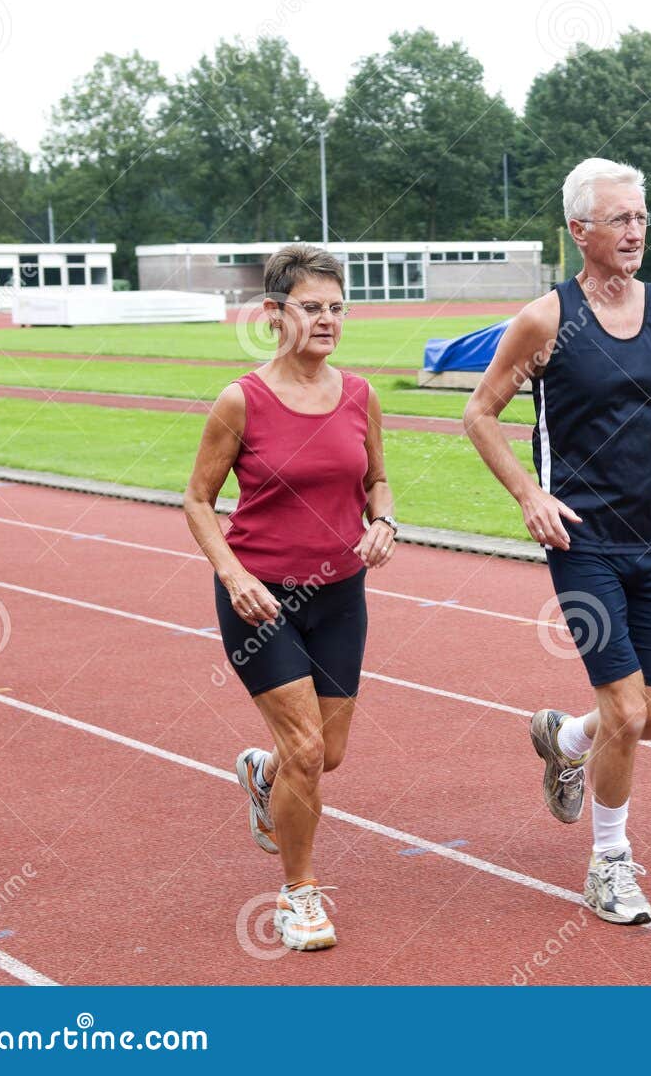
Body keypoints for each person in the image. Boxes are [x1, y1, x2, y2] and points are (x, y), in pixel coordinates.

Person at [464, 157, 651, 924]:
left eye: (641, 217)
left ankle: (564, 738)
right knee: (624, 710)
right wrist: (530, 495)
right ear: (578, 230)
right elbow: (479, 413)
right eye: (619, 218)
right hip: (580, 541)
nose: (635, 231)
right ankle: (609, 863)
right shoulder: (545, 321)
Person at [184, 244, 398, 951]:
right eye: (312, 307)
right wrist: (233, 575)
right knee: (305, 750)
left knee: (325, 754)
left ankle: (261, 772)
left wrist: (385, 522)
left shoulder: (361, 395)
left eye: (337, 307)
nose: (327, 319)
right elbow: (197, 499)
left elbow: (376, 482)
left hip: (340, 597)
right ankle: (298, 894)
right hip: (261, 601)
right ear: (274, 313)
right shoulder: (241, 400)